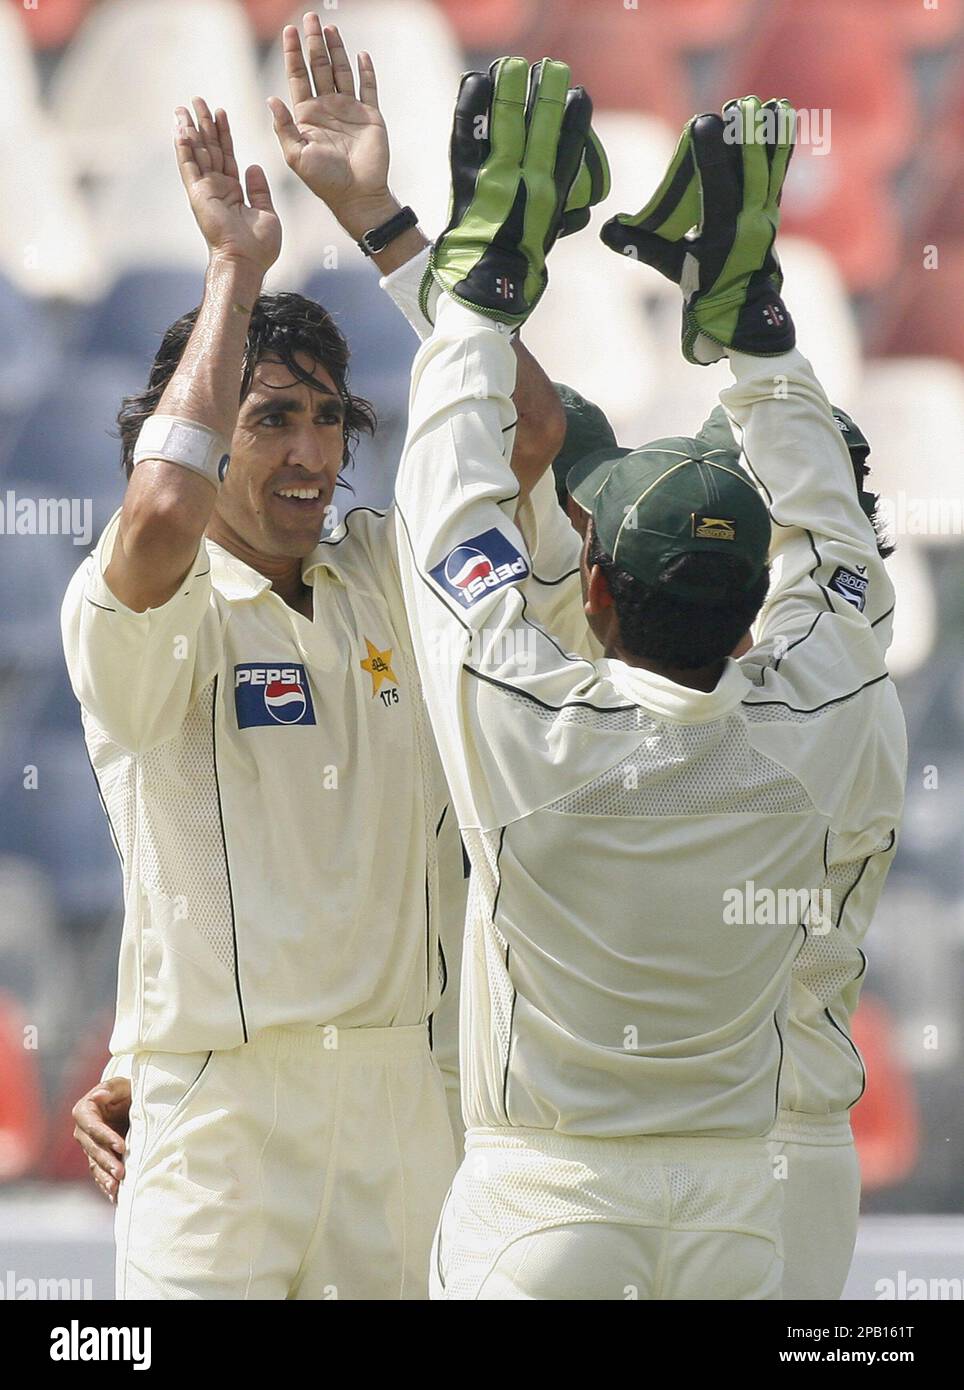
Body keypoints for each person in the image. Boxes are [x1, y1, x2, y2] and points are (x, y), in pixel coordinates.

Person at [62, 20, 580, 1300]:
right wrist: (234, 271)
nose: (310, 455)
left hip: (407, 1106)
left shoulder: (388, 574)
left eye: (330, 420)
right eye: (270, 420)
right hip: (217, 1125)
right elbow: (161, 517)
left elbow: (529, 431)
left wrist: (379, 218)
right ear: (194, 430)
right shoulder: (133, 601)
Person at [391, 73, 907, 1299]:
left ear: (601, 599)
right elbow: (842, 569)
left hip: (547, 1200)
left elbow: (441, 512)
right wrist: (755, 334)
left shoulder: (529, 726)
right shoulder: (819, 719)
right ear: (750, 626)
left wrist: (482, 283)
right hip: (738, 1207)